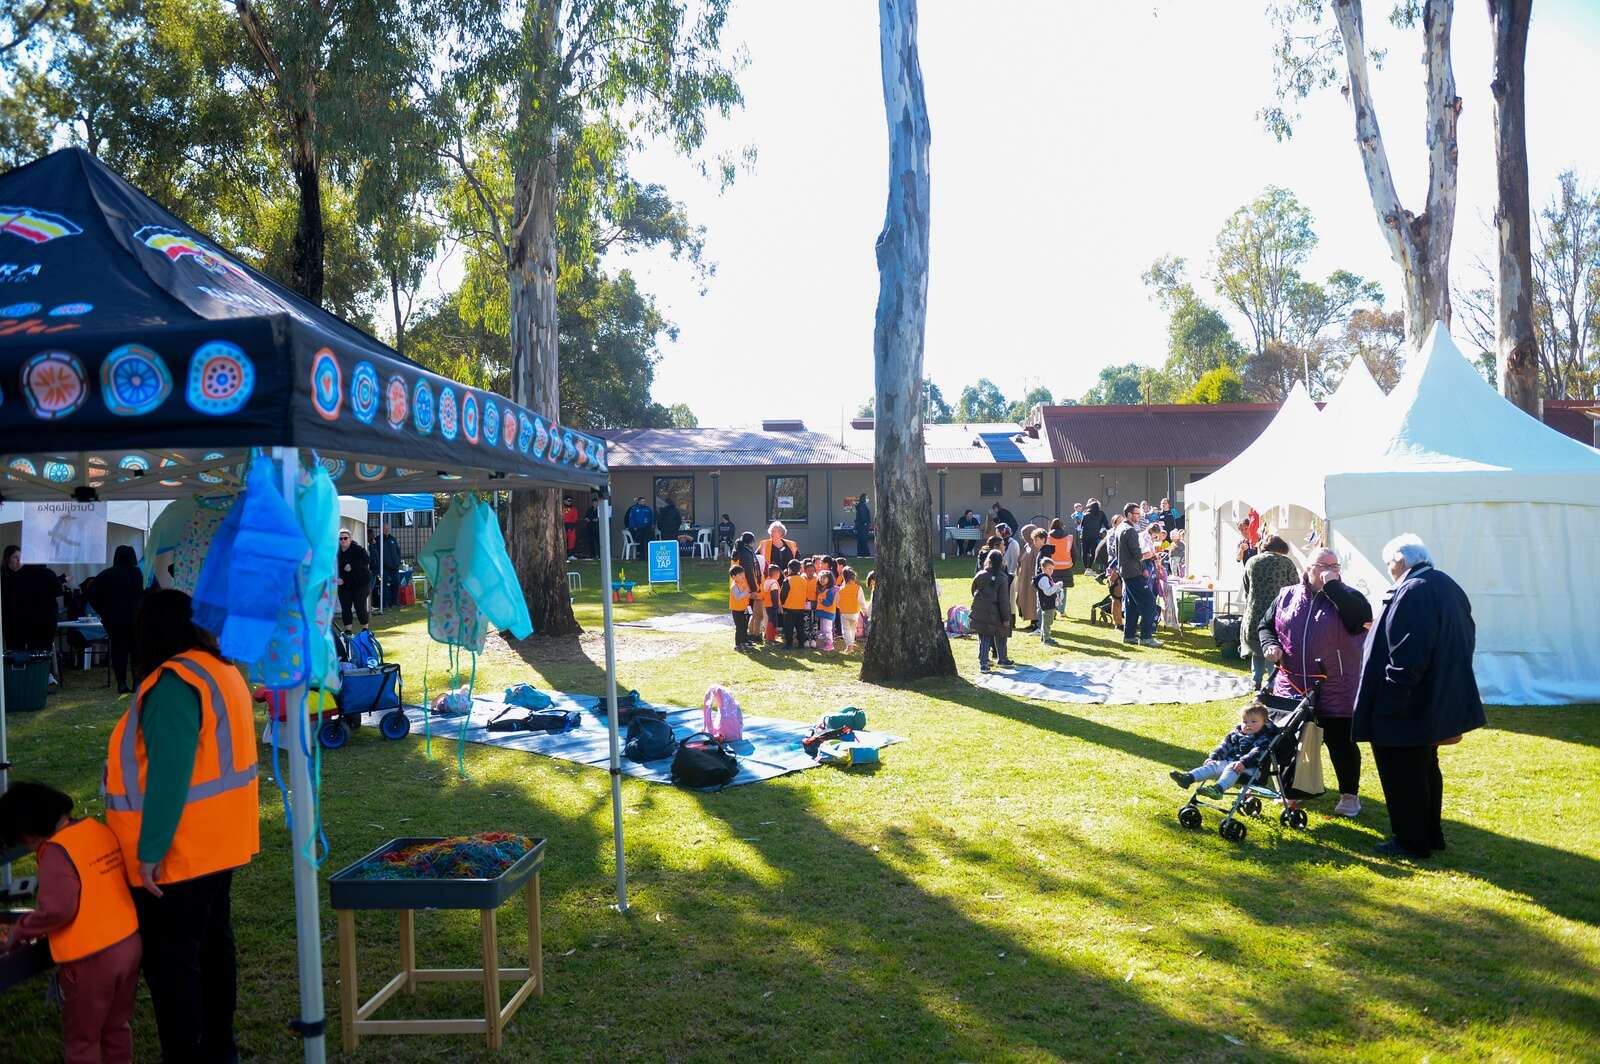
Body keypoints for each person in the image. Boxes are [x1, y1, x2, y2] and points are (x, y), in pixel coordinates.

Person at [104, 589, 259, 1062]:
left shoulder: (174, 683)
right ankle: (218, 1047)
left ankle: (191, 1052)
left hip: (179, 856)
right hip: (219, 844)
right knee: (213, 950)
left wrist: (149, 851)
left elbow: (169, 776)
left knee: (176, 966)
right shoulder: (220, 669)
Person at [1353, 534, 1485, 858]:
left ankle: (1411, 840)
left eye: (1389, 564)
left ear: (1400, 560)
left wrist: (1393, 701)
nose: (1389, 570)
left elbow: (1409, 653)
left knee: (1404, 774)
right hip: (1430, 699)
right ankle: (1429, 833)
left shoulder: (1414, 590)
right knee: (1425, 768)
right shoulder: (1445, 585)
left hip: (1408, 703)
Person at [0, 782, 143, 1064]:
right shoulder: (95, 829)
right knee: (116, 1026)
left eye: (23, 841)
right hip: (129, 945)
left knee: (83, 1040)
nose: (26, 848)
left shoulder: (55, 851)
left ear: (29, 833)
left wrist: (20, 930)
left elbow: (59, 909)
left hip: (92, 960)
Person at [1257, 548, 1373, 818]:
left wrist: (1333, 587)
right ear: (1308, 568)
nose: (1331, 570)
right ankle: (1292, 791)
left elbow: (1360, 620)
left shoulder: (1349, 597)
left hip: (1336, 685)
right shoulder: (1286, 595)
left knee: (1339, 741)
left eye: (1335, 566)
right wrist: (1270, 645)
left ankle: (1349, 796)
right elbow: (1266, 625)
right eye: (1324, 565)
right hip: (1292, 684)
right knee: (1287, 740)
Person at [1169, 701, 1280, 798]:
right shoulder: (1236, 734)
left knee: (1232, 767)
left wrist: (1243, 762)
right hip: (1230, 763)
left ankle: (1218, 789)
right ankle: (1188, 778)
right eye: (1245, 722)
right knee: (1212, 765)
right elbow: (1225, 746)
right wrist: (1214, 757)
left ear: (1264, 722)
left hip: (1251, 769)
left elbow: (1256, 752)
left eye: (1254, 722)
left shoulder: (1264, 737)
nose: (1248, 725)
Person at [1240, 536, 1299, 687]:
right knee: (1273, 646)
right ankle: (1272, 682)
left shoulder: (1252, 561)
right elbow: (1295, 587)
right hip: (1277, 612)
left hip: (1254, 610)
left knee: (1257, 647)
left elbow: (1246, 587)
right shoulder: (1286, 563)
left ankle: (1256, 680)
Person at [88, 545, 145, 694]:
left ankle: (121, 683)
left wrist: (102, 611)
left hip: (114, 620)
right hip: (136, 618)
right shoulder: (141, 574)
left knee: (118, 651)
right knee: (136, 651)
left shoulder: (105, 575)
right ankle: (137, 682)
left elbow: (91, 593)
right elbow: (153, 592)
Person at [2, 544, 61, 652]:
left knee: (35, 654)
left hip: (35, 623)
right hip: (13, 623)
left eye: (21, 558)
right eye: (15, 557)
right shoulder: (5, 576)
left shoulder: (31, 574)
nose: (19, 560)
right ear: (7, 559)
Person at [1117, 503, 1160, 647]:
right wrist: (1147, 555)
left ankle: (1129, 635)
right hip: (1133, 573)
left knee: (1132, 605)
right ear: (1129, 514)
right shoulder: (1130, 531)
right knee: (1149, 602)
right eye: (1137, 514)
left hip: (1126, 572)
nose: (1139, 516)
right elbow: (1137, 555)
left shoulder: (1120, 528)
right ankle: (1146, 637)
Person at [969, 548, 1016, 673]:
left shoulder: (980, 574)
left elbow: (973, 590)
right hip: (997, 612)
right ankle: (1002, 658)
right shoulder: (1002, 578)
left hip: (980, 610)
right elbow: (1004, 600)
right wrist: (1006, 618)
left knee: (984, 637)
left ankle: (983, 662)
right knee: (1001, 634)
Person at [336, 529, 372, 631]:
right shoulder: (335, 552)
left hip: (360, 583)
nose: (343, 540)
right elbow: (331, 568)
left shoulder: (358, 550)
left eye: (345, 538)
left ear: (350, 539)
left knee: (359, 607)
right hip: (344, 584)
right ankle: (348, 631)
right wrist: (336, 578)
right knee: (345, 607)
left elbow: (367, 560)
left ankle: (365, 629)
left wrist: (352, 566)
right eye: (341, 539)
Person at [734, 532, 765, 646]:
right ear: (751, 541)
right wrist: (754, 588)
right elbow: (749, 573)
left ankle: (745, 638)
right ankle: (742, 640)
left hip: (741, 585)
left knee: (745, 614)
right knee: (745, 614)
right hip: (746, 586)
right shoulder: (746, 552)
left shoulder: (739, 549)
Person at [1014, 526, 1042, 633]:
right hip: (1024, 579)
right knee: (1024, 601)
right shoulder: (1028, 546)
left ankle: (1036, 623)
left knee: (1032, 601)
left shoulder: (1036, 547)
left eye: (1024, 534)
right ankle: (1032, 622)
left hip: (1031, 579)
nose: (1022, 537)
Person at [779, 559, 808, 649]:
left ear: (789, 569)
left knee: (789, 627)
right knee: (800, 627)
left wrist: (782, 603)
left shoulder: (787, 580)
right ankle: (801, 644)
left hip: (789, 607)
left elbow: (783, 594)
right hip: (801, 607)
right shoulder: (803, 580)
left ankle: (789, 644)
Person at [1035, 557, 1065, 646]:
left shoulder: (1047, 577)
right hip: (1046, 603)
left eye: (1052, 569)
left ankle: (1043, 637)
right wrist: (1056, 585)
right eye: (1049, 569)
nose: (1051, 571)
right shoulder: (1043, 579)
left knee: (1048, 621)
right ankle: (1046, 638)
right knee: (1047, 622)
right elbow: (1048, 592)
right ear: (1043, 568)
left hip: (1049, 603)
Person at [728, 562, 754, 650]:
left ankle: (744, 641)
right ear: (733, 577)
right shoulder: (734, 586)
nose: (742, 576)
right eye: (739, 575)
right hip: (736, 610)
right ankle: (738, 644)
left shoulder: (743, 582)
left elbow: (746, 595)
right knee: (739, 627)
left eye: (742, 574)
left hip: (744, 608)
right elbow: (738, 597)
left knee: (744, 626)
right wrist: (746, 592)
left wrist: (750, 595)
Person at [1041, 518, 1074, 588]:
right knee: (1063, 591)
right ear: (1062, 526)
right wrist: (1071, 565)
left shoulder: (1047, 538)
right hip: (1066, 568)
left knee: (1051, 591)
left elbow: (1044, 554)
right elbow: (1074, 554)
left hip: (1051, 569)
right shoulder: (1069, 538)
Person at [837, 567, 863, 653]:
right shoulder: (858, 588)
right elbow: (861, 601)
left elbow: (837, 601)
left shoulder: (841, 589)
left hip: (844, 612)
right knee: (852, 629)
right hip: (855, 612)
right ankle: (851, 644)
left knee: (846, 630)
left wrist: (840, 607)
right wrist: (865, 611)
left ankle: (849, 646)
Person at [376, 521, 402, 608]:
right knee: (384, 586)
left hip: (394, 567)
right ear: (381, 529)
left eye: (387, 528)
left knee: (397, 583)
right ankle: (385, 603)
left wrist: (398, 561)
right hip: (384, 567)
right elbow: (376, 554)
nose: (386, 530)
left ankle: (395, 602)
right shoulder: (378, 540)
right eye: (384, 528)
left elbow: (398, 551)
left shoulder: (393, 539)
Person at [1079, 500, 1110, 571]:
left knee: (1084, 552)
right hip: (1094, 535)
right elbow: (1106, 524)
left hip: (1085, 535)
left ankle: (1085, 568)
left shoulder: (1085, 514)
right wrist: (1111, 530)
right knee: (1093, 552)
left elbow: (1082, 525)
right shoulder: (1101, 514)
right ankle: (1089, 567)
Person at [815, 570, 838, 651]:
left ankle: (829, 644)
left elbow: (829, 603)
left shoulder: (831, 590)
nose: (821, 579)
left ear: (829, 579)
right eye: (820, 578)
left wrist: (822, 601)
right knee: (823, 629)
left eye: (824, 578)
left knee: (827, 629)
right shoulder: (823, 589)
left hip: (828, 613)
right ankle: (826, 643)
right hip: (823, 613)